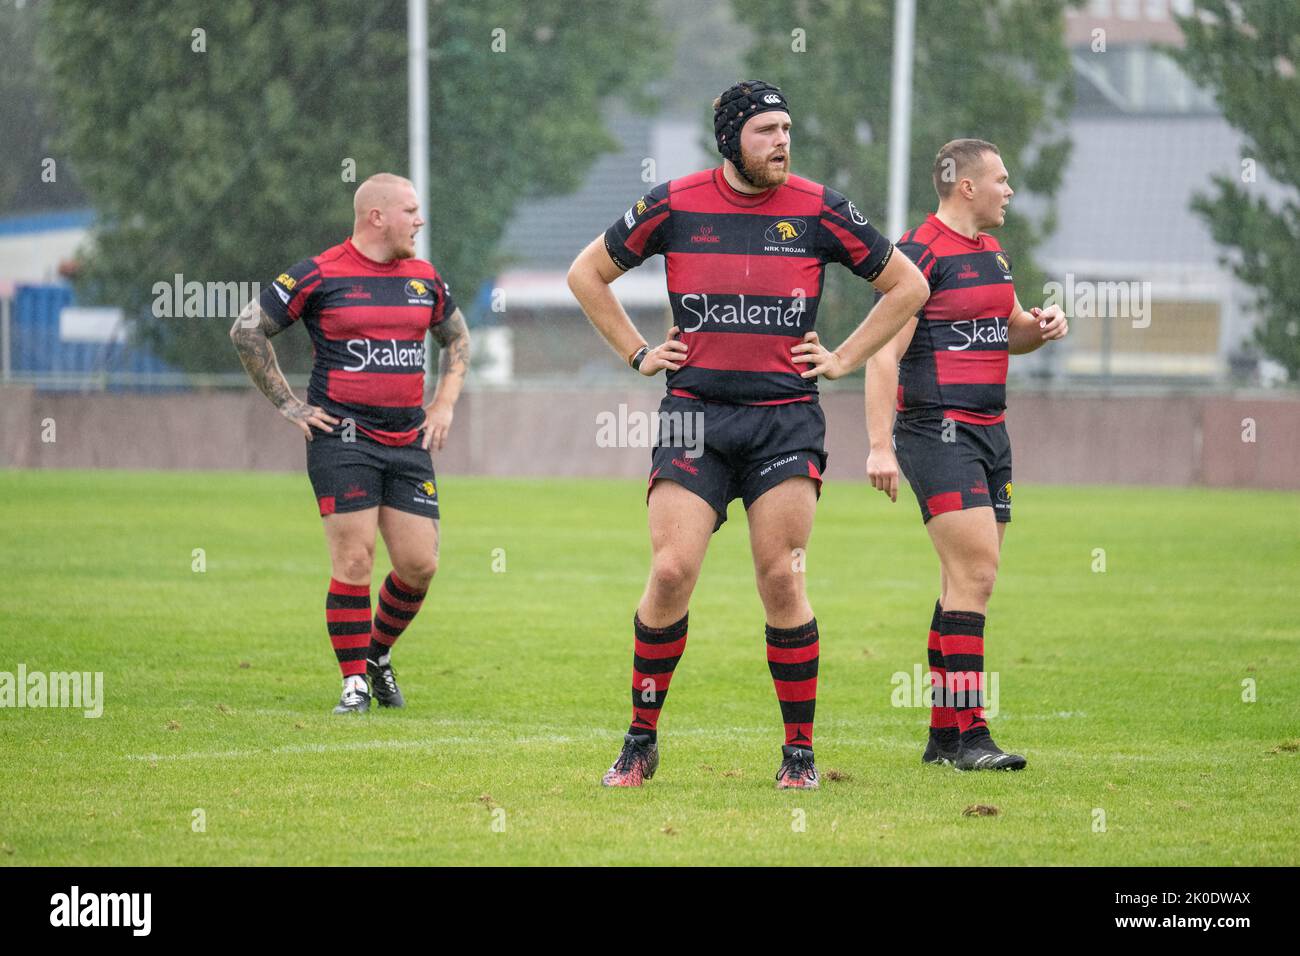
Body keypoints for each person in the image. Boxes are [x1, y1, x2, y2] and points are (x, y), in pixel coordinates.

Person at [568, 80, 929, 789]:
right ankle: (641, 739)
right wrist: (640, 354)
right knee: (671, 572)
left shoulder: (820, 207)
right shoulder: (674, 202)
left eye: (788, 129)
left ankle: (799, 753)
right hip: (694, 415)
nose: (782, 142)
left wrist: (844, 359)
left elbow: (908, 286)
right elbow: (587, 274)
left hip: (783, 420)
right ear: (731, 138)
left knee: (781, 579)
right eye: (767, 130)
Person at [230, 172, 470, 714]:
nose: (420, 220)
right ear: (377, 216)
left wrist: (445, 402)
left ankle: (376, 657)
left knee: (418, 565)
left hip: (408, 440)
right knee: (355, 559)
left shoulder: (425, 279)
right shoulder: (319, 273)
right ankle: (354, 685)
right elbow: (247, 329)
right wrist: (290, 405)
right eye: (411, 210)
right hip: (342, 438)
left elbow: (456, 336)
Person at [864, 139, 1068, 770]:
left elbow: (1008, 336)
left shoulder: (993, 256)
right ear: (967, 187)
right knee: (976, 576)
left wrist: (1040, 327)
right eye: (1002, 179)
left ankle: (943, 737)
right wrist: (878, 447)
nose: (1010, 190)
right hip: (934, 432)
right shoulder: (917, 254)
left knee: (965, 581)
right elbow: (881, 355)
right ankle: (973, 735)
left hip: (992, 434)